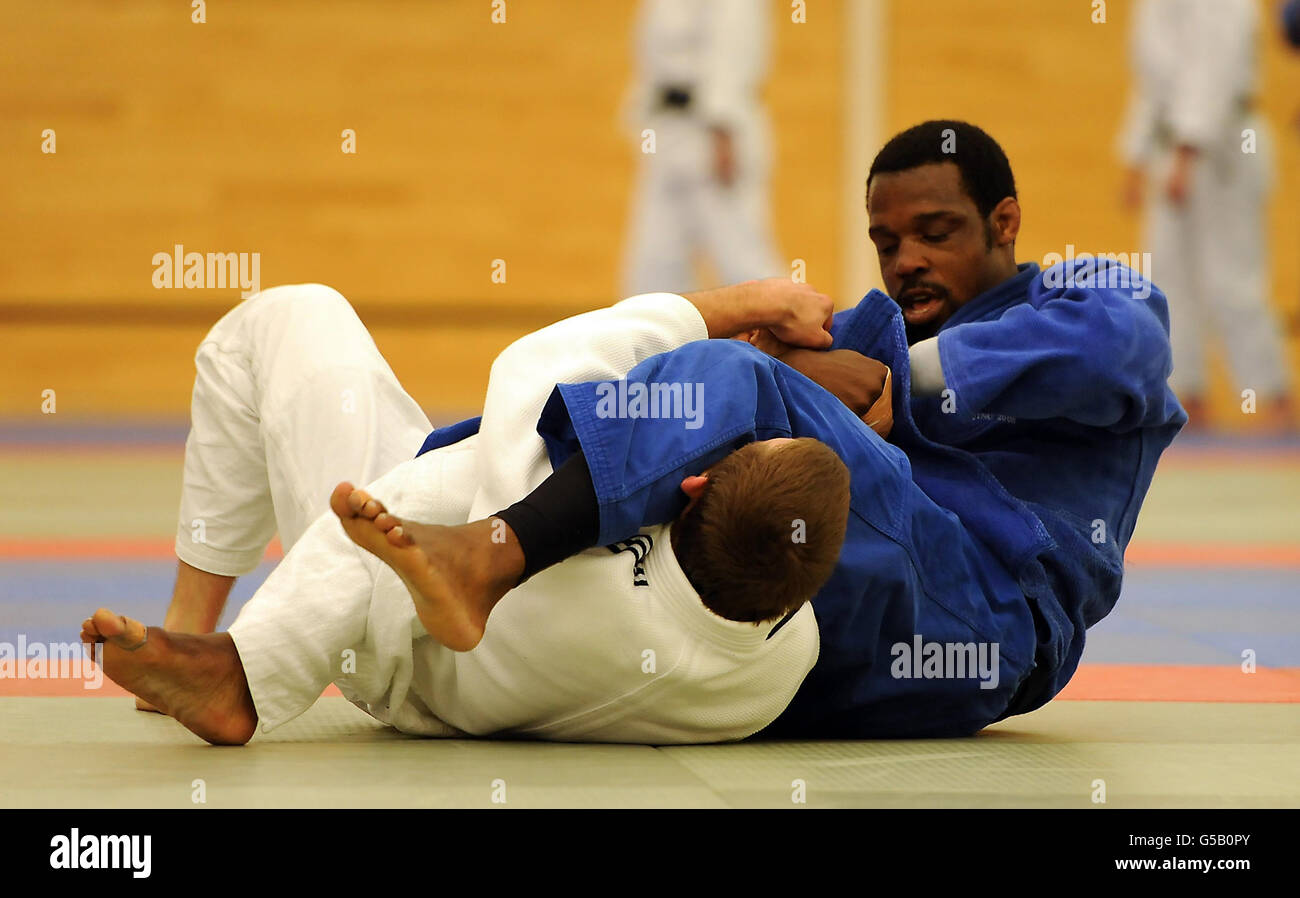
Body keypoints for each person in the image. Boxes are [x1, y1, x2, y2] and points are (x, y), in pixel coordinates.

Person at [392, 121, 1188, 738]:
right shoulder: (880, 330)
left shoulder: (1079, 294)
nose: (905, 259)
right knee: (682, 383)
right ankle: (430, 492)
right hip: (855, 637)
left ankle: (495, 550)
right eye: (885, 242)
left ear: (1004, 221)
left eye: (934, 232)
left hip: (993, 612)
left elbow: (1122, 350)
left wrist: (892, 380)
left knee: (737, 383)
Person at [81, 280, 856, 745]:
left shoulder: (570, 541)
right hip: (489, 681)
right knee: (448, 486)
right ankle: (227, 654)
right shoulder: (781, 669)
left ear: (690, 484)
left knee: (286, 319)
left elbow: (532, 370)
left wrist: (743, 308)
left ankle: (239, 668)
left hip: (380, 643)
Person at [1119, 0, 1294, 431]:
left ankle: (1273, 400)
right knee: (1168, 280)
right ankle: (1188, 400)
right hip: (1172, 144)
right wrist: (1136, 155)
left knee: (1231, 279)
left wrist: (1188, 148)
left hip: (1223, 142)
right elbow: (1155, 82)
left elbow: (1213, 65)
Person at [621, 0, 782, 295]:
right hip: (667, 132)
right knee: (654, 262)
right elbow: (650, 56)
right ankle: (658, 340)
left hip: (712, 135)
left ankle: (781, 333)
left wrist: (723, 131)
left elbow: (735, 50)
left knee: (740, 255)